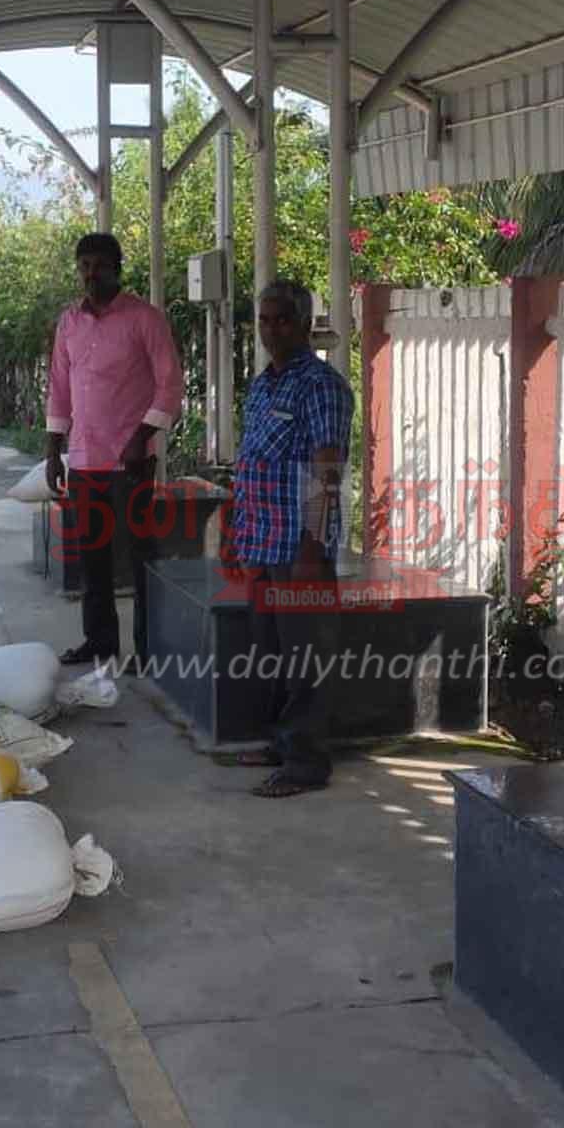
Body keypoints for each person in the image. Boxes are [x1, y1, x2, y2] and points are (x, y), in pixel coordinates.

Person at [226, 279, 354, 799]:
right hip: (261, 542)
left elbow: (328, 470)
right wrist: (235, 533)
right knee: (274, 654)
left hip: (298, 548)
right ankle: (281, 744)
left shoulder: (322, 386)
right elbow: (251, 463)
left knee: (306, 660)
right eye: (263, 319)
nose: (270, 329)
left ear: (304, 324)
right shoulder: (262, 385)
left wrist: (311, 546)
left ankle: (306, 764)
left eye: (281, 319)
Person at [45, 232, 184, 670]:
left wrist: (142, 437)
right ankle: (100, 642)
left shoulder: (145, 319)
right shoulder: (69, 322)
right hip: (84, 461)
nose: (91, 274)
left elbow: (170, 384)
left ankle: (149, 648)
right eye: (84, 265)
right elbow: (60, 387)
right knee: (92, 556)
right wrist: (53, 451)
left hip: (131, 463)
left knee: (142, 558)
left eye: (99, 265)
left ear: (117, 267)